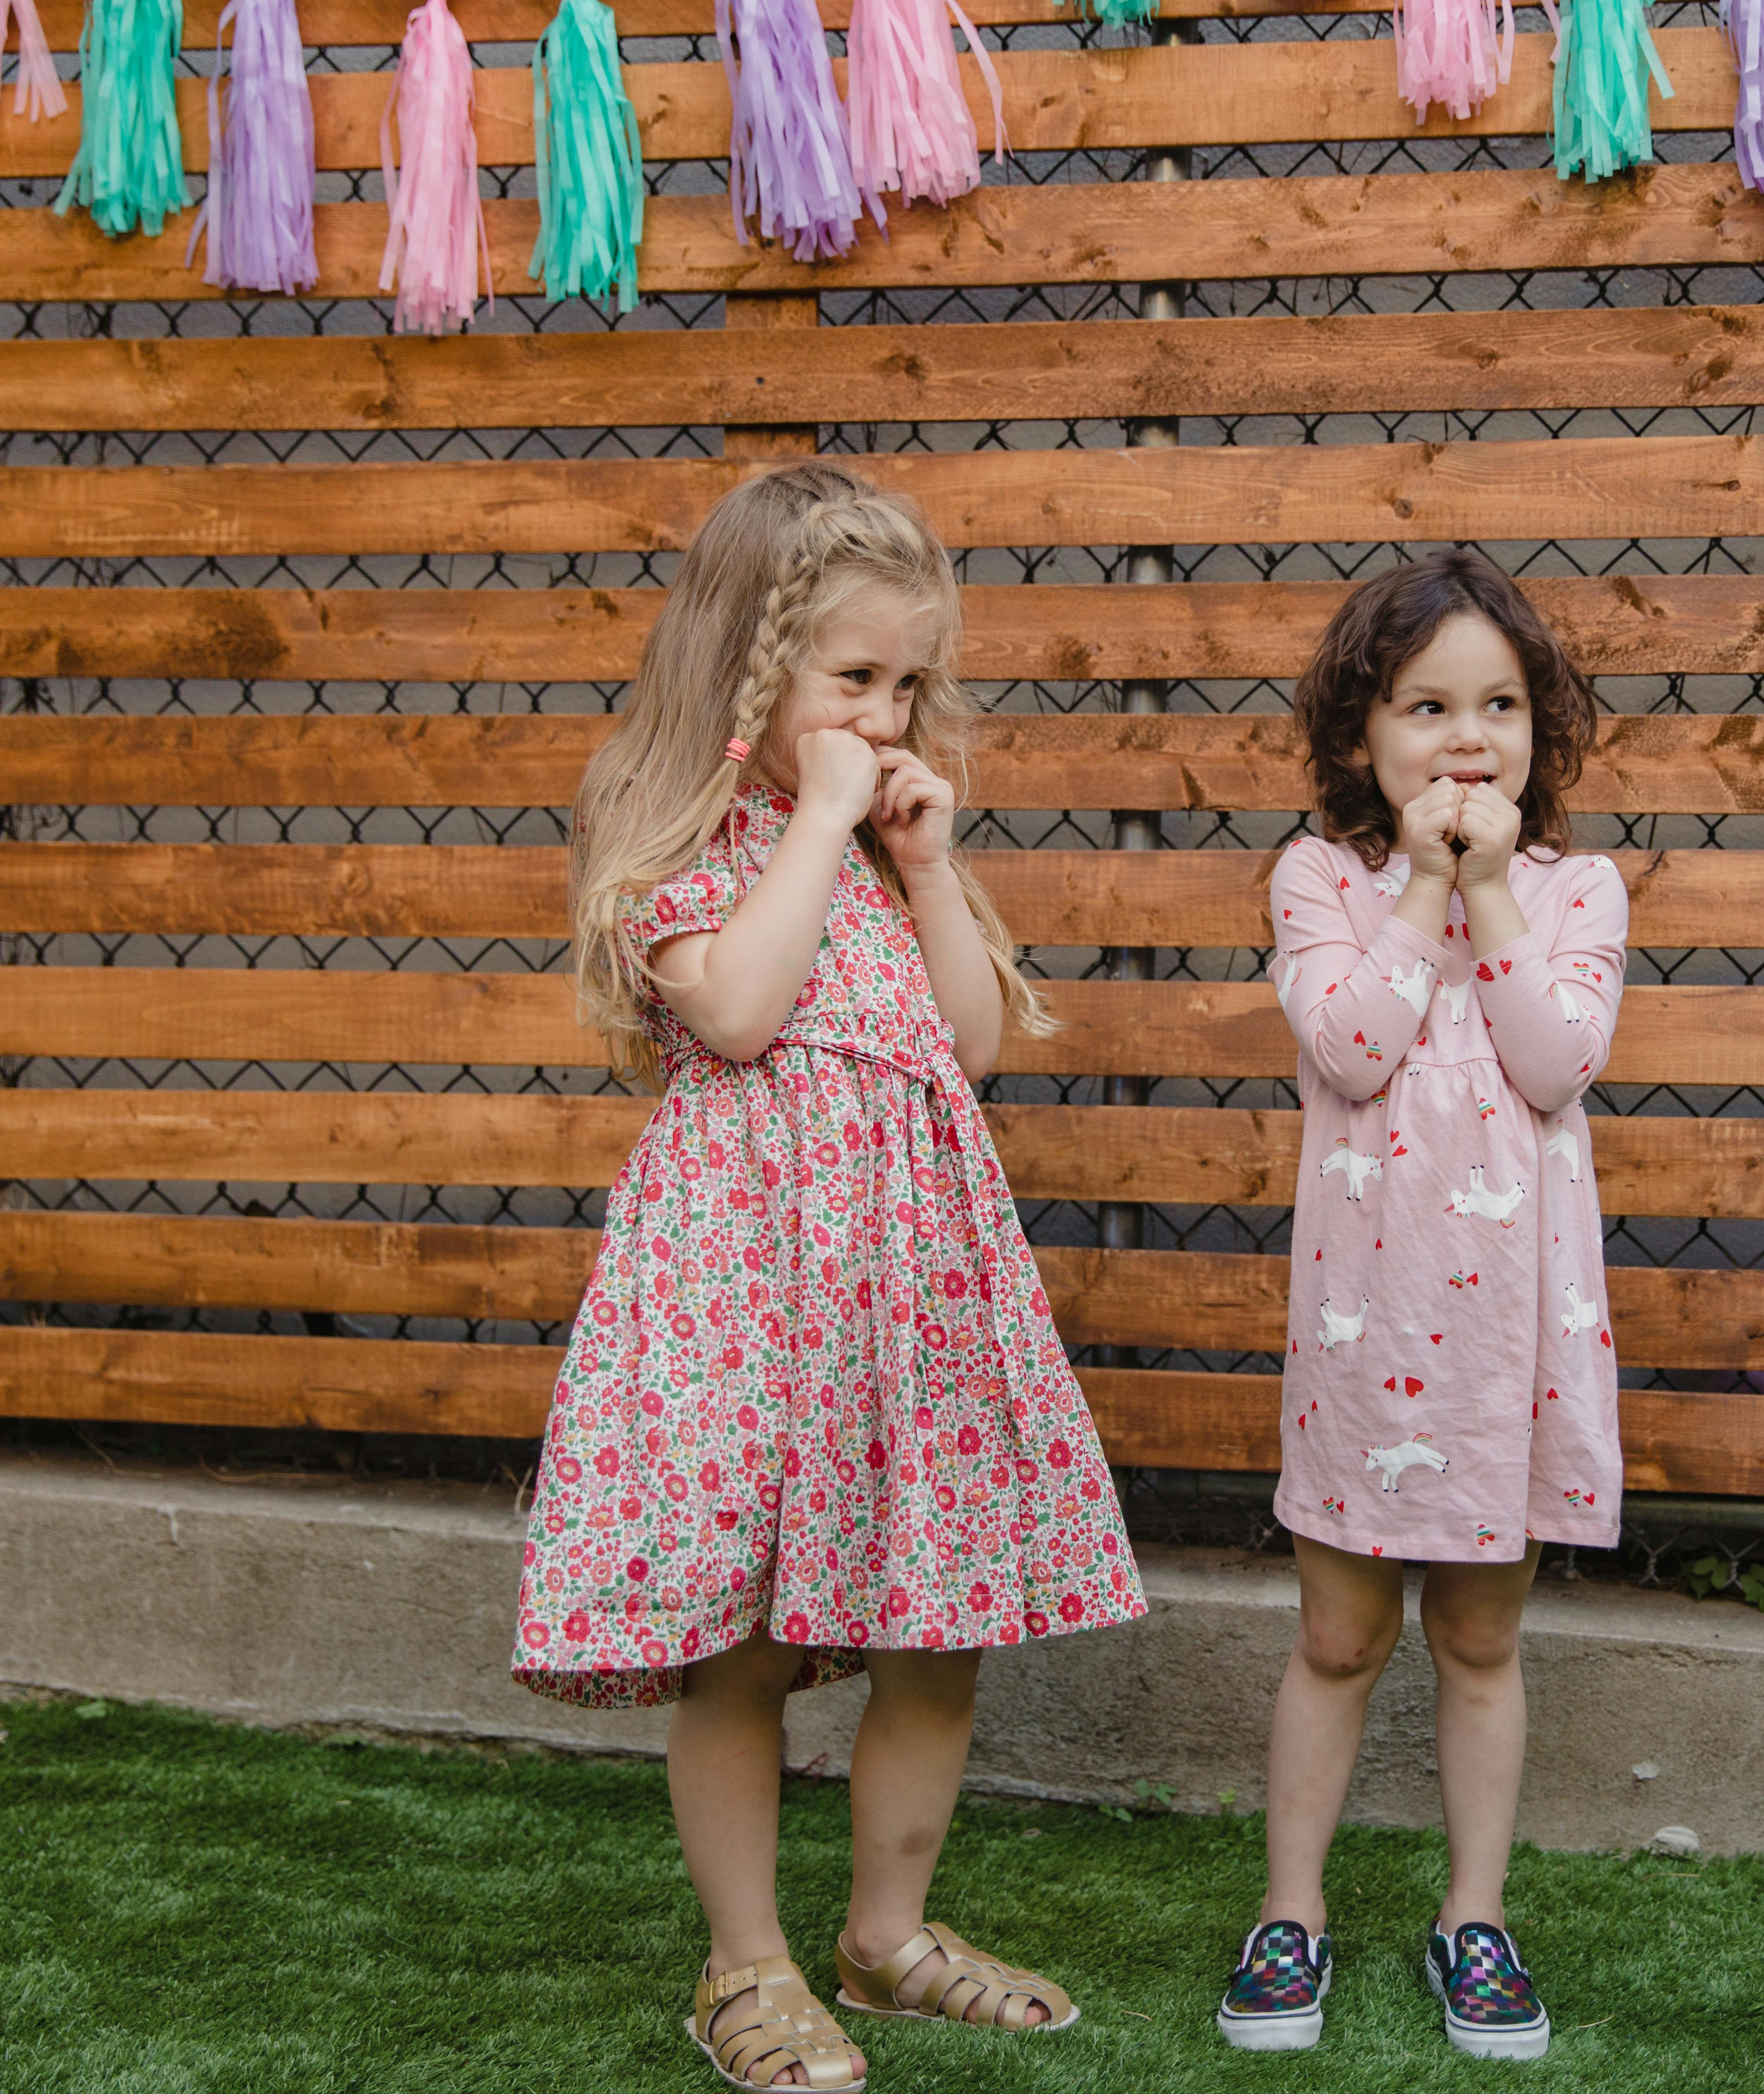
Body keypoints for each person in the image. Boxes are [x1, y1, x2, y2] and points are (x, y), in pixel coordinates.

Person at [513, 461, 1144, 2090]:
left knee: (938, 1631)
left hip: (908, 1294)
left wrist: (929, 866)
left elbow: (973, 1044)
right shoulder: (680, 835)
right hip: (744, 1290)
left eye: (909, 682)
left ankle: (888, 1938)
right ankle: (747, 1968)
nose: (887, 713)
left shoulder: (883, 847)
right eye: (854, 679)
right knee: (739, 1642)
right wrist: (813, 817)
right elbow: (735, 1013)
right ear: (752, 669)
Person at [1216, 551, 1626, 2061]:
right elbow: (1353, 1046)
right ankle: (1292, 1913)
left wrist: (1498, 887)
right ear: (1360, 740)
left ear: (1542, 733)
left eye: (1501, 706)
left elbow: (1553, 1061)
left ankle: (1475, 1917)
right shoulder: (1320, 881)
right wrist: (1421, 885)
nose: (1468, 738)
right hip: (1365, 1340)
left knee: (1479, 1642)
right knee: (1335, 1638)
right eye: (1429, 706)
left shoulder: (1577, 889)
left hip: (1506, 1360)